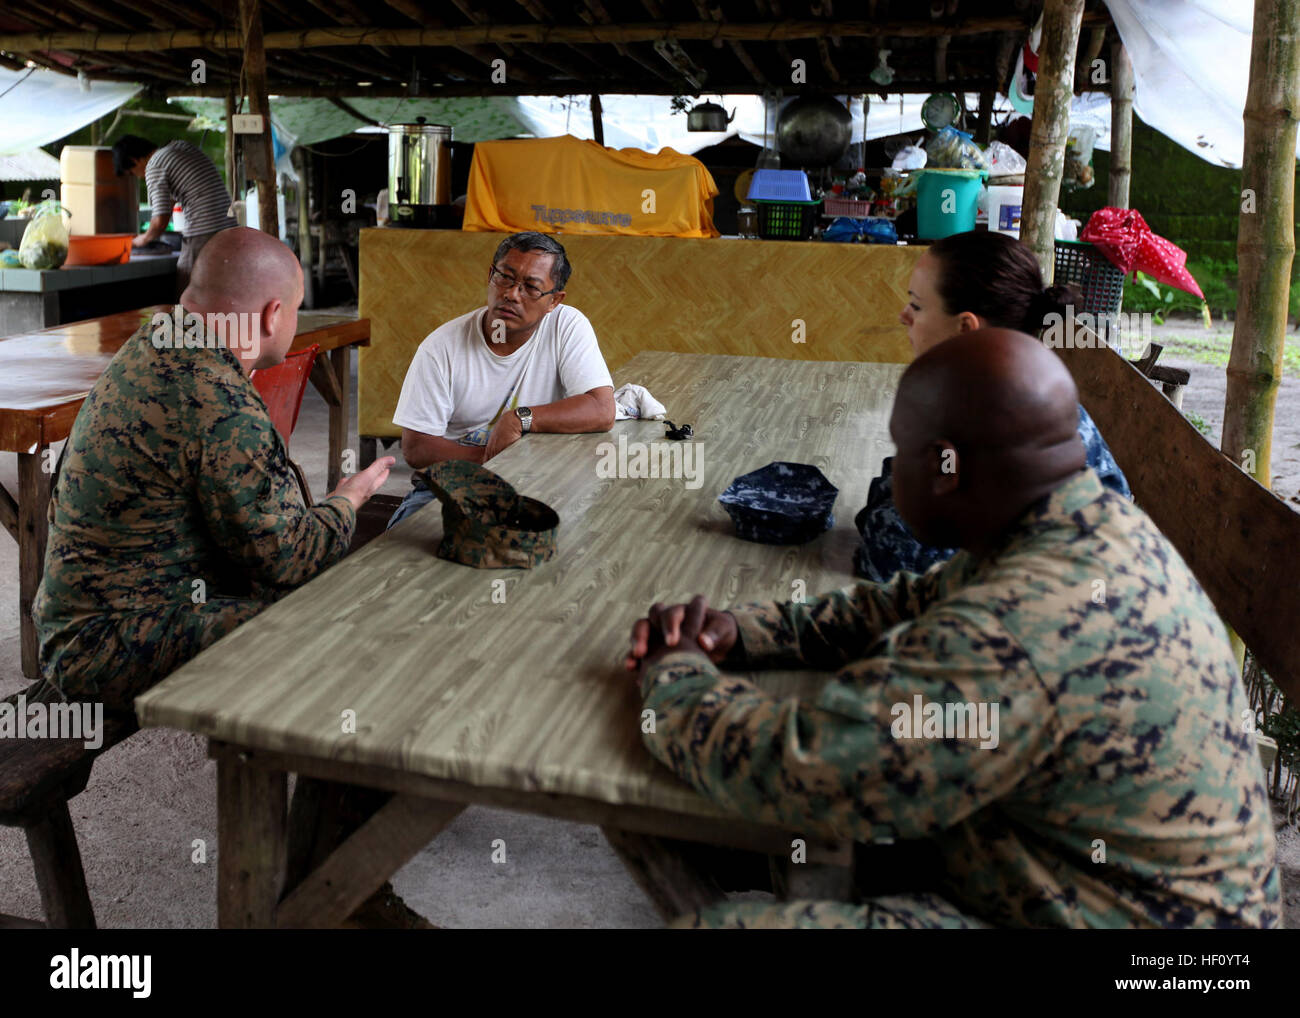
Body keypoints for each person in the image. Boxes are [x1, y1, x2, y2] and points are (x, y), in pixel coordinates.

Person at [624, 329, 1280, 929]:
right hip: (1085, 883)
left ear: (945, 467)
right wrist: (739, 631)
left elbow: (812, 770)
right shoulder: (1083, 524)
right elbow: (908, 603)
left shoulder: (1014, 628)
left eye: (898, 452)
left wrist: (676, 672)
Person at [33, 227, 393, 709]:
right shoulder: (219, 402)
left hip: (80, 621)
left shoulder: (157, 340)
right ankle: (308, 771)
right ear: (273, 314)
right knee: (330, 620)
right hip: (103, 647)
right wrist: (349, 500)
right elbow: (289, 559)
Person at [855, 229, 1130, 583]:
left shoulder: (985, 417)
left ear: (966, 328)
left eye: (918, 306)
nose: (903, 316)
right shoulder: (1018, 384)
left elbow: (888, 560)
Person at [387, 231, 616, 527]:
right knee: (407, 545)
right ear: (489, 276)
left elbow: (602, 409)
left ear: (554, 301)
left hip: (541, 478)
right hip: (457, 482)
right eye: (504, 278)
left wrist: (519, 419)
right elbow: (416, 447)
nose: (511, 294)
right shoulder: (440, 348)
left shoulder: (566, 326)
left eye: (531, 287)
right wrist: (497, 459)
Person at [113, 134, 238, 297]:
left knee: (186, 291)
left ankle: (186, 322)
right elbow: (170, 201)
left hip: (204, 232)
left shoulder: (154, 166)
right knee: (219, 292)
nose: (138, 176)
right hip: (229, 228)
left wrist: (139, 240)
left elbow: (160, 221)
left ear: (135, 160)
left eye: (132, 172)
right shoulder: (179, 147)